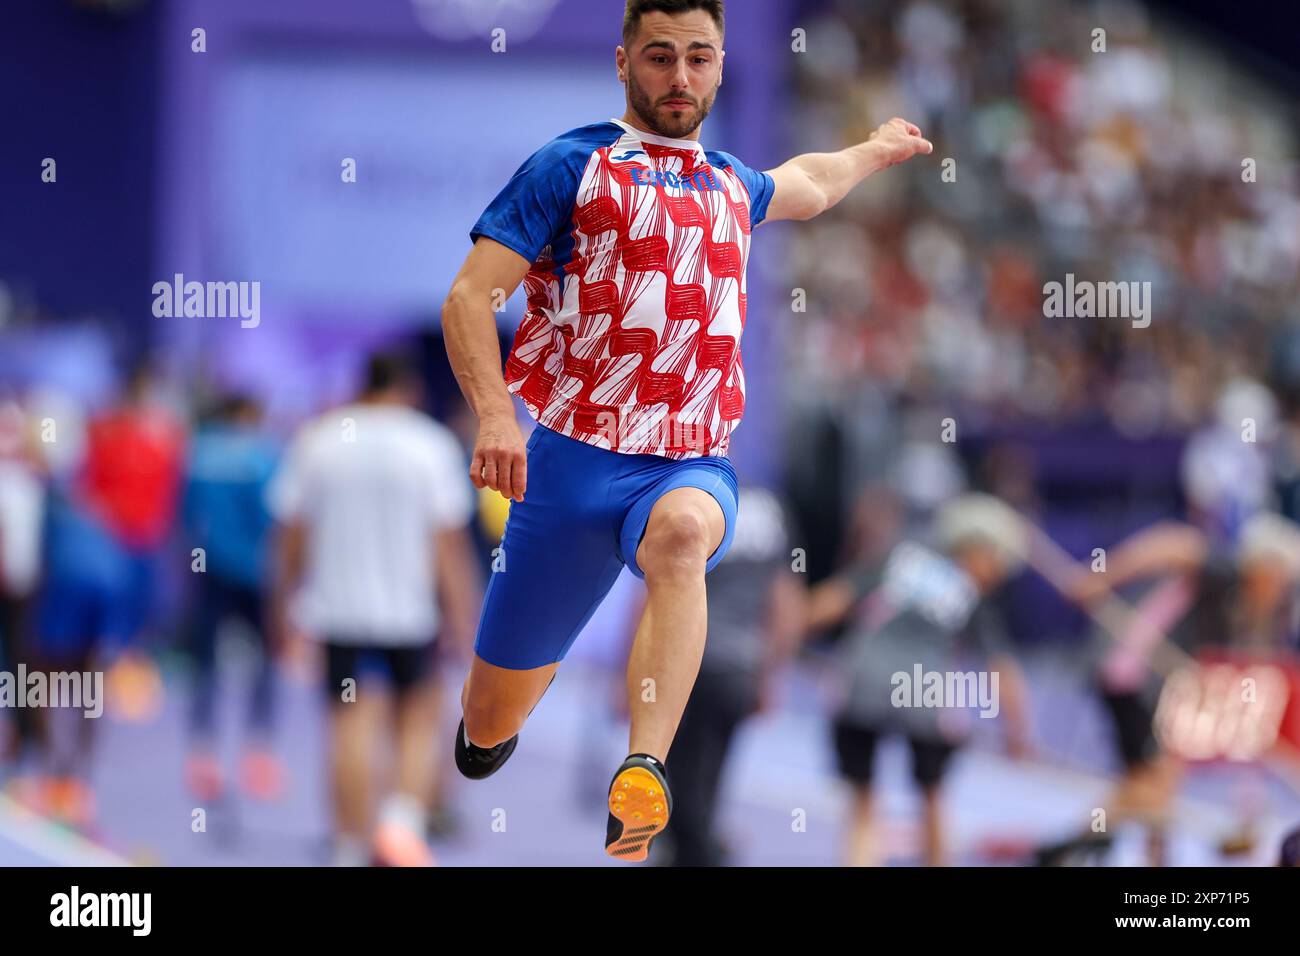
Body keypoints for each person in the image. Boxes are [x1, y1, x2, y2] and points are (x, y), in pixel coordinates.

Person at [440, 0, 933, 862]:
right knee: (488, 725)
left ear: (720, 63)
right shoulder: (572, 166)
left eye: (699, 58)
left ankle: (645, 767)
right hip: (567, 467)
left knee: (683, 536)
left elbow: (811, 182)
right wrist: (494, 415)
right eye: (660, 57)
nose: (680, 77)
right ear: (623, 61)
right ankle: (497, 717)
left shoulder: (732, 182)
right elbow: (467, 297)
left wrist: (876, 148)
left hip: (685, 461)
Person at [268, 353, 479, 867]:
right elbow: (448, 546)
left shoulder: (318, 441)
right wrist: (465, 621)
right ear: (406, 387)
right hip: (410, 612)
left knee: (347, 723)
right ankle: (400, 827)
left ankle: (347, 844)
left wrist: (281, 605)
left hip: (337, 610)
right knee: (417, 715)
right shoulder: (428, 444)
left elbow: (291, 536)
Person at [804, 494, 1033, 866]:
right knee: (932, 797)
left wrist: (784, 633)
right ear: (975, 548)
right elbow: (1002, 670)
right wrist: (1018, 734)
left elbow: (833, 600)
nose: (999, 575)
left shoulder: (899, 560)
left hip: (863, 688)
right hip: (923, 699)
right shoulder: (968, 592)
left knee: (863, 803)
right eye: (997, 562)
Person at [646, 484, 804, 866]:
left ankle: (693, 848)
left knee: (669, 767)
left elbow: (655, 592)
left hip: (686, 658)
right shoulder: (772, 513)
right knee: (709, 770)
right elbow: (786, 602)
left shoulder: (689, 496)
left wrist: (631, 673)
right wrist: (770, 672)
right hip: (739, 665)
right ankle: (694, 843)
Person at [180, 394, 283, 802]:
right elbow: (273, 515)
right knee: (266, 662)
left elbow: (187, 514)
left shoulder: (199, 453)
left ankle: (203, 753)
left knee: (205, 662)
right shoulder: (263, 455)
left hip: (211, 571)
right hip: (257, 572)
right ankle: (258, 754)